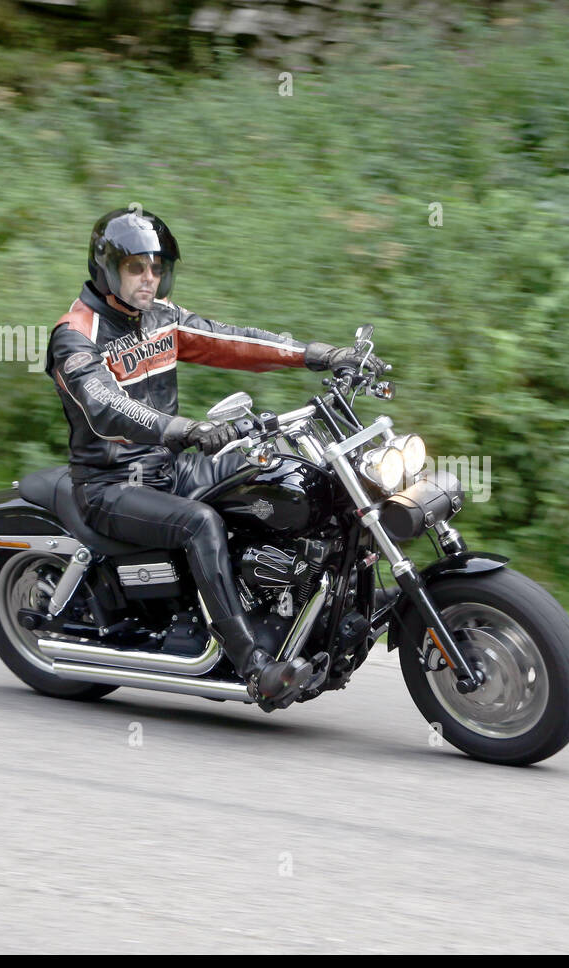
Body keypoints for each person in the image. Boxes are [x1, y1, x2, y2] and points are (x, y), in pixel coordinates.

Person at [45, 207, 377, 706]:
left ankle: (321, 600)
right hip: (111, 485)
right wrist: (186, 429)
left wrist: (319, 355)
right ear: (108, 267)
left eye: (157, 268)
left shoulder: (161, 317)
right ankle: (252, 663)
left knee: (277, 471)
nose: (149, 279)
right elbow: (105, 408)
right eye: (138, 268)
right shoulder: (75, 335)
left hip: (170, 467)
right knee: (200, 523)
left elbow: (235, 342)